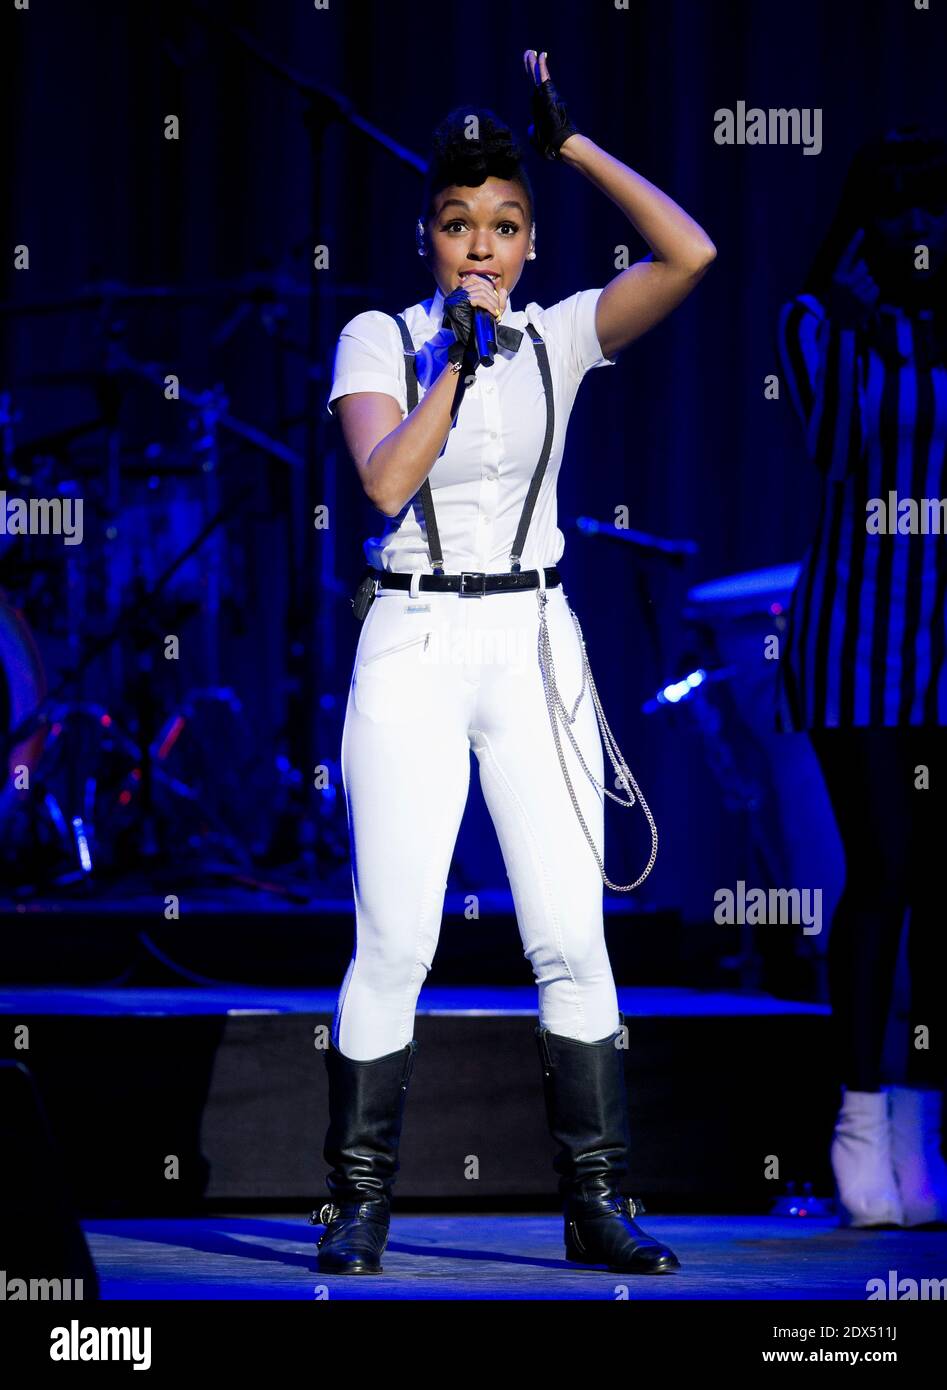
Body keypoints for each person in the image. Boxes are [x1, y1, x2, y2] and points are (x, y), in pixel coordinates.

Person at [313, 49, 716, 1275]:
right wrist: (456, 365)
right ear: (426, 236)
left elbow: (689, 254)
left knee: (567, 934)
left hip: (532, 636)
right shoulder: (381, 338)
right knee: (395, 936)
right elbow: (384, 480)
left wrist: (575, 147)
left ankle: (594, 1201)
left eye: (501, 225)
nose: (478, 248)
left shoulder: (558, 337)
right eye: (456, 225)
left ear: (530, 241)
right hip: (415, 639)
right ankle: (359, 1201)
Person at [776, 124, 947, 1228]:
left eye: (930, 205)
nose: (913, 227)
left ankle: (920, 1130)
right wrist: (848, 315)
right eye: (892, 207)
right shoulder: (812, 324)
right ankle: (854, 1117)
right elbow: (834, 446)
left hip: (944, 644)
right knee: (883, 868)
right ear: (861, 220)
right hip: (853, 647)